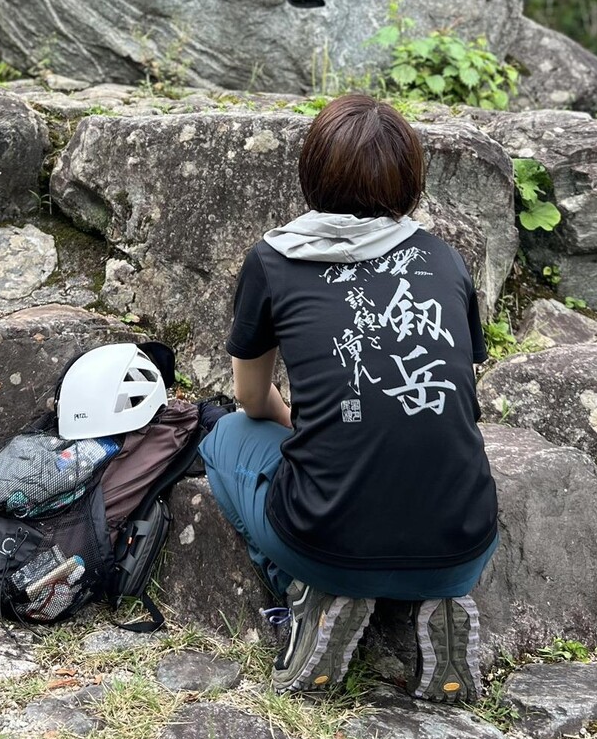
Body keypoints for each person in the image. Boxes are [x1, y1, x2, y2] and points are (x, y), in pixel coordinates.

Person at [199, 92, 498, 699]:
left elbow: (251, 399)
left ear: (312, 173)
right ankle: (438, 600)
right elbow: (459, 387)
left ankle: (308, 593)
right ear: (410, 182)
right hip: (464, 542)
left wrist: (303, 427)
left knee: (224, 436)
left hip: (325, 543)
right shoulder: (443, 258)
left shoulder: (274, 259)